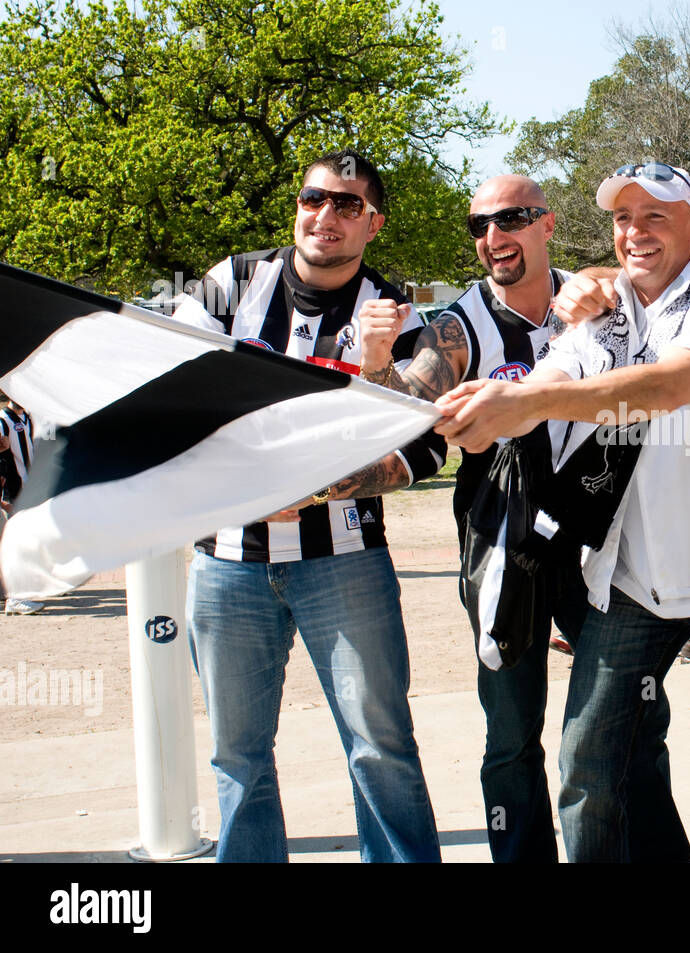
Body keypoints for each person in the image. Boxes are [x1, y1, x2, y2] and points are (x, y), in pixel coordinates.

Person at [434, 162, 690, 862]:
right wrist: (490, 412)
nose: (634, 232)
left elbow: (666, 385)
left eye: (654, 216)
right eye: (623, 218)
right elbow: (552, 377)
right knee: (585, 771)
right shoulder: (597, 317)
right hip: (628, 584)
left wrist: (527, 404)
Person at [357, 173, 688, 862]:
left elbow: (666, 290)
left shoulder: (596, 299)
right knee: (511, 734)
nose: (492, 237)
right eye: (479, 226)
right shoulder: (457, 326)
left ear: (548, 224)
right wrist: (374, 363)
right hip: (505, 546)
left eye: (510, 219)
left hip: (600, 541)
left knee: (637, 717)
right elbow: (400, 421)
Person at [171, 149, 443, 862]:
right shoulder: (232, 284)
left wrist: (325, 483)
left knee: (379, 744)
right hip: (227, 559)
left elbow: (426, 443)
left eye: (347, 205)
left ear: (373, 223)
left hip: (344, 561)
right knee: (238, 753)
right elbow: (177, 384)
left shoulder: (393, 312)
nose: (325, 216)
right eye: (313, 198)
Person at [0, 393, 42, 615]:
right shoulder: (3, 420)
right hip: (13, 490)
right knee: (14, 543)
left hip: (27, 486)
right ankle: (15, 597)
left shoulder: (25, 418)